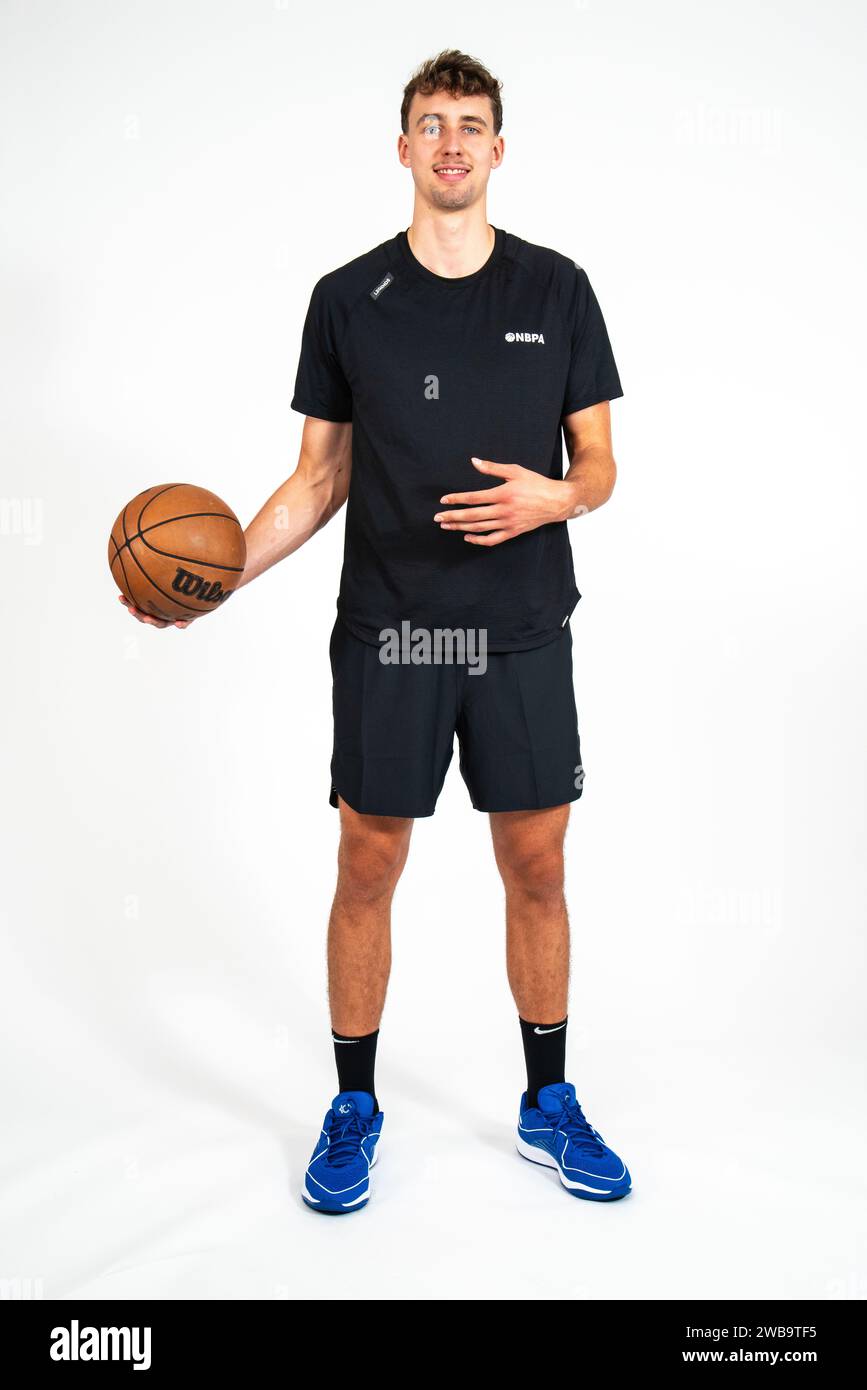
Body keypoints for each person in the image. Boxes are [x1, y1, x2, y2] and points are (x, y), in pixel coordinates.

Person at [120, 49, 632, 1213]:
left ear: (500, 150)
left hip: (520, 633)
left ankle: (547, 1101)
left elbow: (600, 464)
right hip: (395, 634)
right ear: (401, 148)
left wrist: (558, 493)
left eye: (471, 124)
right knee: (368, 861)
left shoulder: (559, 289)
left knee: (537, 863)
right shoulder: (348, 299)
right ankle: (354, 1103)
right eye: (430, 124)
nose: (451, 142)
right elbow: (318, 477)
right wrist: (216, 579)